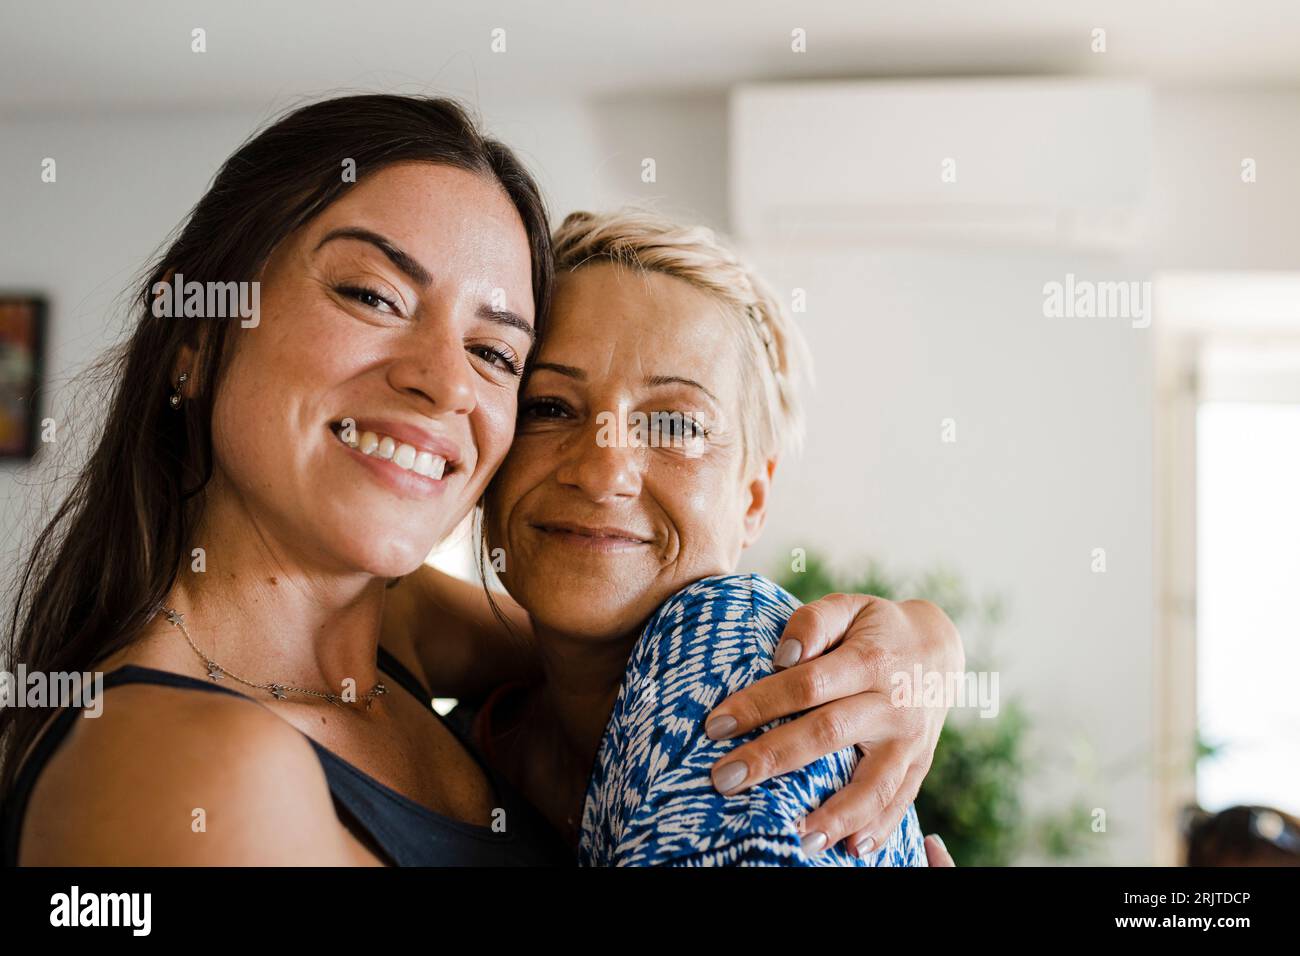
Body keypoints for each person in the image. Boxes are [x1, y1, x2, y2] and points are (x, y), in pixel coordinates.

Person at [1, 95, 960, 866]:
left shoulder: (392, 639)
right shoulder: (184, 772)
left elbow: (587, 633)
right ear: (200, 338)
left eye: (496, 354)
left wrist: (920, 652)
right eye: (372, 295)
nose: (443, 380)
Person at [465, 209, 932, 864]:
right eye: (548, 407)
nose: (604, 474)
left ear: (752, 500)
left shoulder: (750, 676)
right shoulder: (461, 730)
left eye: (676, 425)